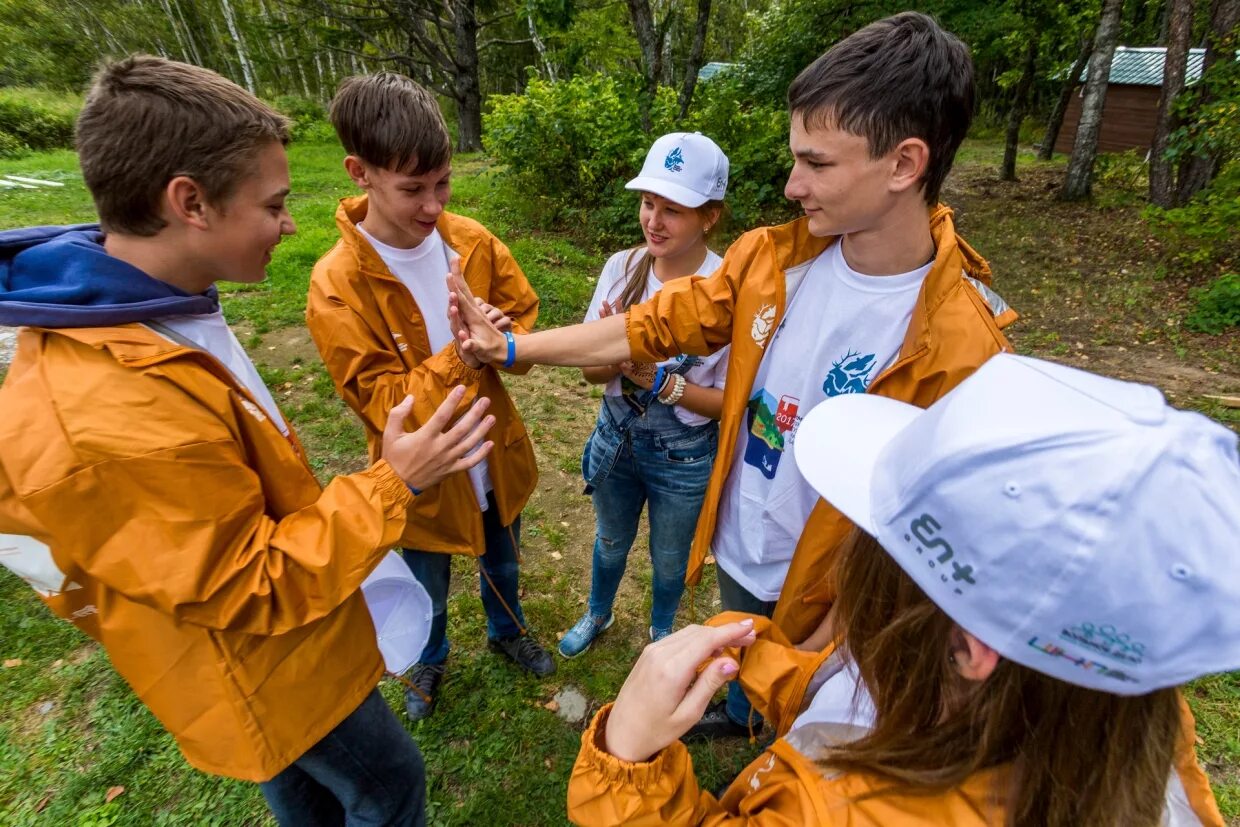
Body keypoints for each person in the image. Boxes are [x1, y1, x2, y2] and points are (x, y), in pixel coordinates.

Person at [449, 12, 1016, 738]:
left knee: (798, 715)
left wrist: (823, 648)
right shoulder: (771, 260)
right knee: (743, 651)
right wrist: (512, 350)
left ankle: (769, 732)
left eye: (817, 163)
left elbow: (919, 538)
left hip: (829, 593)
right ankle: (743, 711)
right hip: (740, 540)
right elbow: (653, 322)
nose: (791, 184)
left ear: (904, 164)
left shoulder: (966, 353)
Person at [0, 57, 496, 826]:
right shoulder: (111, 409)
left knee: (306, 789)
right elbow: (247, 583)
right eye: (274, 204)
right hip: (258, 661)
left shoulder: (150, 313)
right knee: (388, 781)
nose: (291, 223)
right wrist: (394, 482)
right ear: (190, 202)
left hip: (277, 648)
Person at [565, 353, 1236, 826]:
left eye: (881, 541)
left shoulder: (826, 813)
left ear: (970, 647)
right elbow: (859, 693)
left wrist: (630, 757)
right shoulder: (1112, 710)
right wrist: (758, 656)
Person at [306, 72, 554, 724]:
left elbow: (523, 318)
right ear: (359, 172)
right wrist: (462, 353)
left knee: (503, 555)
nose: (433, 205)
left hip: (493, 452)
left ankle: (507, 632)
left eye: (442, 182)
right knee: (427, 582)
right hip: (419, 482)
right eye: (413, 188)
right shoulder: (336, 285)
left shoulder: (470, 240)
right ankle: (429, 655)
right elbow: (384, 400)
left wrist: (506, 338)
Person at [559, 133, 731, 658]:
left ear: (710, 216)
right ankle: (598, 610)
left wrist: (660, 381)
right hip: (616, 436)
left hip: (684, 454)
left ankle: (661, 631)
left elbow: (730, 402)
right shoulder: (623, 269)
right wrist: (615, 356)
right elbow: (591, 374)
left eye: (672, 210)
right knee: (610, 539)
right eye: (648, 203)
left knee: (672, 556)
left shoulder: (727, 288)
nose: (653, 221)